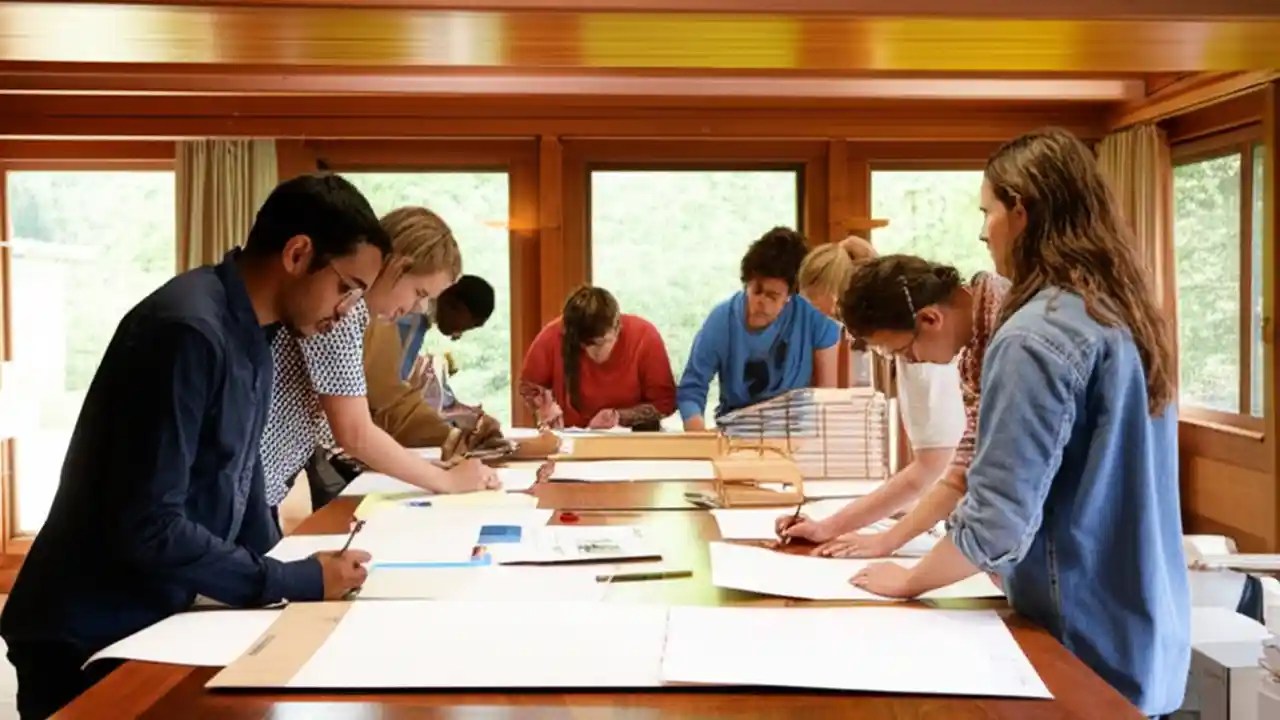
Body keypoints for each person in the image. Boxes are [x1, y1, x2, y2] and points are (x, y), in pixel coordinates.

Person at [0, 174, 384, 719]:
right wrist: (284, 579)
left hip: (156, 610)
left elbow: (241, 469)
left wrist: (283, 572)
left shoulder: (257, 331)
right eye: (348, 287)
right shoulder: (187, 330)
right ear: (299, 253)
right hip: (89, 628)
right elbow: (148, 523)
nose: (348, 311)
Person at [849, 127, 1189, 717]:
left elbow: (997, 521)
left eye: (989, 211)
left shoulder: (1034, 335)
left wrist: (907, 580)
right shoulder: (1119, 309)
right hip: (1138, 624)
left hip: (1077, 633)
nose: (983, 231)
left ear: (1022, 211)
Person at [261, 205, 498, 519]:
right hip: (250, 478)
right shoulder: (342, 306)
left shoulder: (357, 311)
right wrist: (446, 481)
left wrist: (427, 468)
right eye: (419, 292)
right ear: (398, 265)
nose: (418, 307)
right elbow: (354, 432)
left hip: (261, 480)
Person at [779, 254, 1008, 557]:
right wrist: (828, 529)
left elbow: (962, 477)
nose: (910, 363)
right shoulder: (972, 356)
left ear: (929, 319)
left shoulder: (1009, 330)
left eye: (903, 352)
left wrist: (896, 559)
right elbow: (962, 469)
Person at [677, 226, 840, 431]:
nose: (761, 302)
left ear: (791, 296)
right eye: (756, 291)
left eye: (773, 296)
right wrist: (698, 438)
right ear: (746, 283)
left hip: (798, 433)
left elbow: (827, 398)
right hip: (737, 432)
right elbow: (692, 389)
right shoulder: (721, 320)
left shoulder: (815, 317)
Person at [519, 285, 676, 430]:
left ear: (617, 327)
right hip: (570, 439)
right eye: (583, 345)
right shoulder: (555, 334)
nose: (590, 352)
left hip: (632, 440)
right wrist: (544, 407)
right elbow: (529, 386)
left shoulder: (644, 337)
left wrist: (619, 417)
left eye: (599, 343)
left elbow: (665, 403)